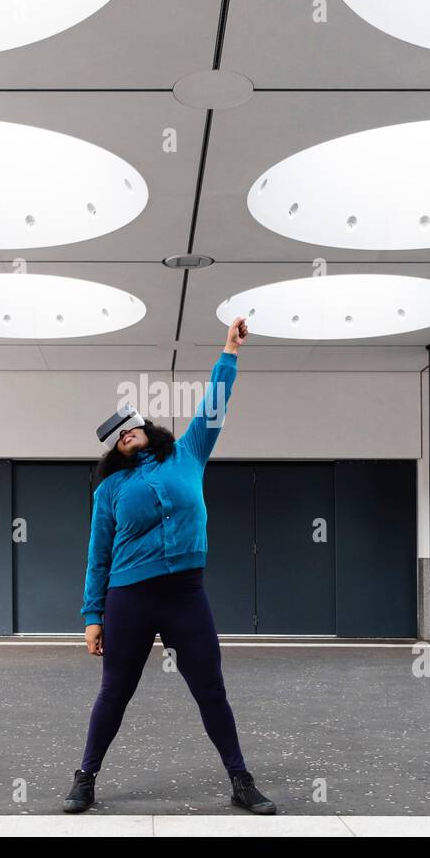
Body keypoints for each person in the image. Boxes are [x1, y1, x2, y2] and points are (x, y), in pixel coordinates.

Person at [63, 316, 275, 815]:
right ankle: (86, 777)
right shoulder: (109, 489)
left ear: (146, 428)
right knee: (115, 691)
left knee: (210, 689)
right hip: (129, 598)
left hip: (185, 596)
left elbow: (214, 408)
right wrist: (93, 616)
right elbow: (99, 554)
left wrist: (229, 352)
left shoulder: (187, 455)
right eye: (119, 436)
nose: (129, 436)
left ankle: (240, 780)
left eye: (133, 427)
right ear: (114, 448)